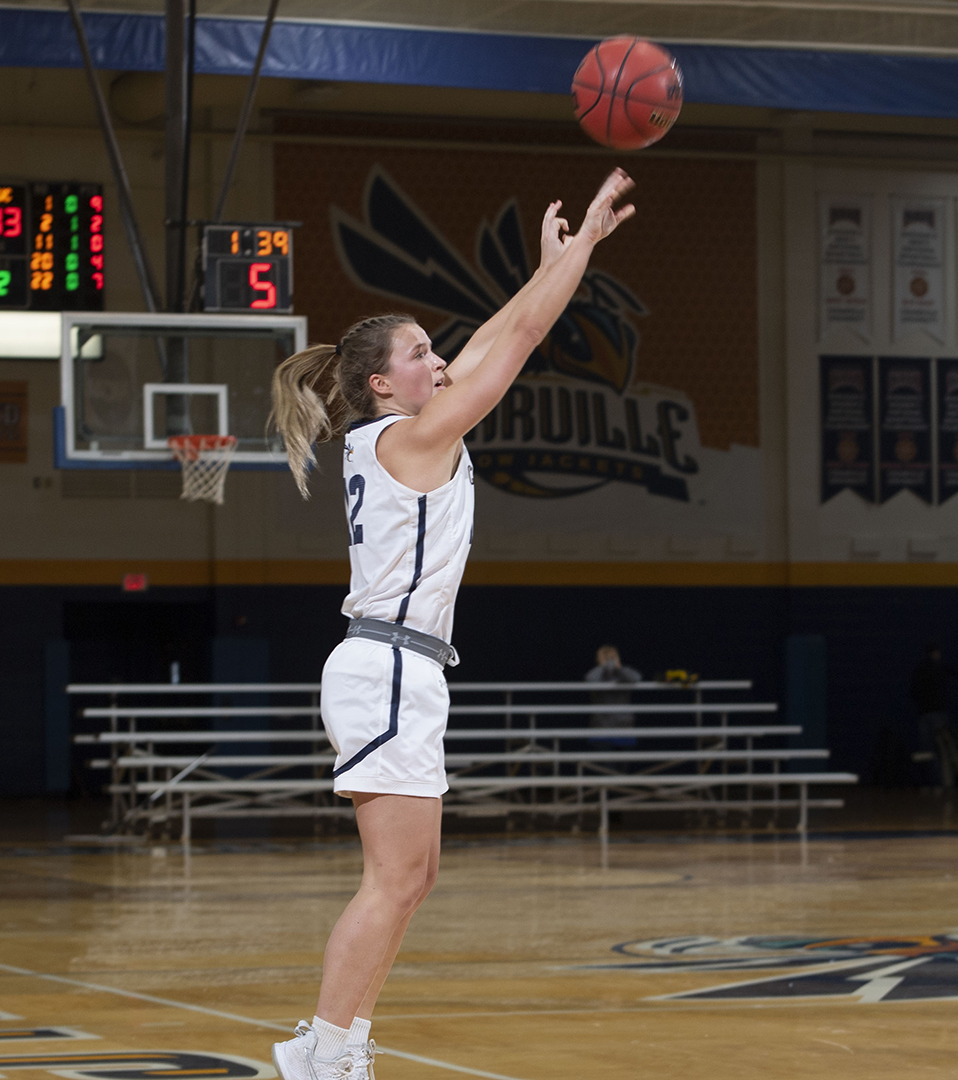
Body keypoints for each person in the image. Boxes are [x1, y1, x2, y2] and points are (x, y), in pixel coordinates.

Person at [264, 172, 636, 1080]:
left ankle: (343, 1044)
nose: (441, 362)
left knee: (414, 880)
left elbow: (503, 333)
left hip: (402, 669)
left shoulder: (397, 431)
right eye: (424, 354)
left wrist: (552, 267)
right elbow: (526, 338)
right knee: (394, 880)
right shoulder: (410, 439)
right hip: (388, 668)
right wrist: (581, 248)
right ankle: (319, 1048)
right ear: (381, 382)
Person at [910, 642, 958, 789]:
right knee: (945, 748)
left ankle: (935, 782)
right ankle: (950, 780)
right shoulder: (941, 667)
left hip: (924, 713)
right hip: (939, 713)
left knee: (929, 750)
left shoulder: (919, 670)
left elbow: (913, 692)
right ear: (936, 653)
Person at [584, 645, 641, 748]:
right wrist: (602, 666)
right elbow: (590, 680)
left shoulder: (624, 672)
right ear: (598, 659)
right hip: (601, 729)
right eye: (605, 657)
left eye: (612, 657)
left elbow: (635, 678)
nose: (609, 660)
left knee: (623, 763)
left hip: (624, 728)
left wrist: (619, 668)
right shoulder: (596, 673)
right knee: (602, 764)